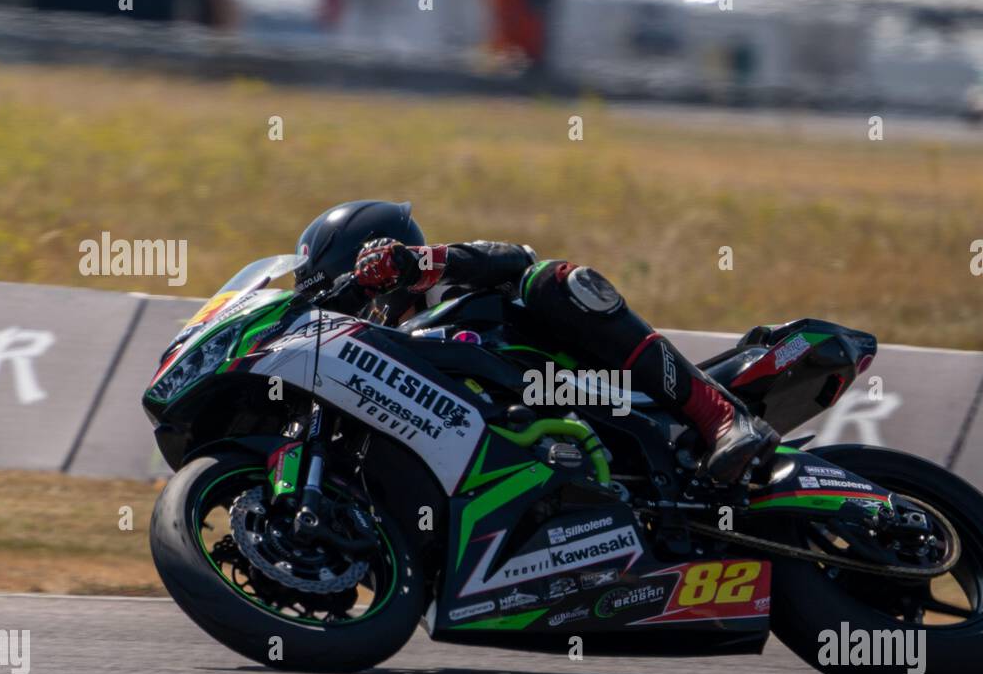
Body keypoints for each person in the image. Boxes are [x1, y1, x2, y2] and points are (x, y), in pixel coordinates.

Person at [294, 200, 778, 484]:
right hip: (532, 456)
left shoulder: (451, 288)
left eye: (352, 287)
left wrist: (416, 263)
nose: (351, 306)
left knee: (550, 280)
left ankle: (721, 415)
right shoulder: (384, 360)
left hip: (592, 388)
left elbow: (512, 258)